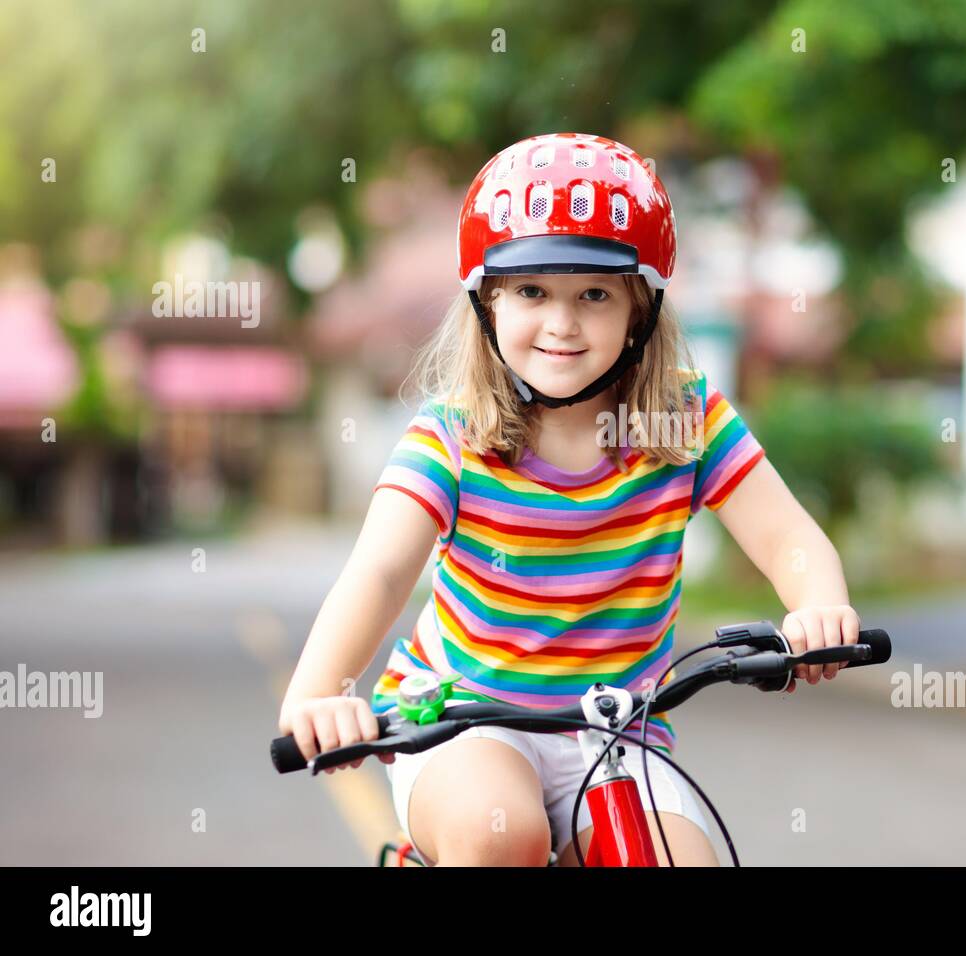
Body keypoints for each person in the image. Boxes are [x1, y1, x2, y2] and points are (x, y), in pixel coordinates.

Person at [278, 132, 860, 866]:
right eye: (531, 291)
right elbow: (381, 572)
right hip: (464, 724)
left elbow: (787, 540)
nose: (562, 322)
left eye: (593, 293)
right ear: (486, 303)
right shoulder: (452, 437)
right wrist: (318, 692)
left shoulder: (684, 421)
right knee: (502, 834)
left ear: (640, 311)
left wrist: (817, 604)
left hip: (620, 733)